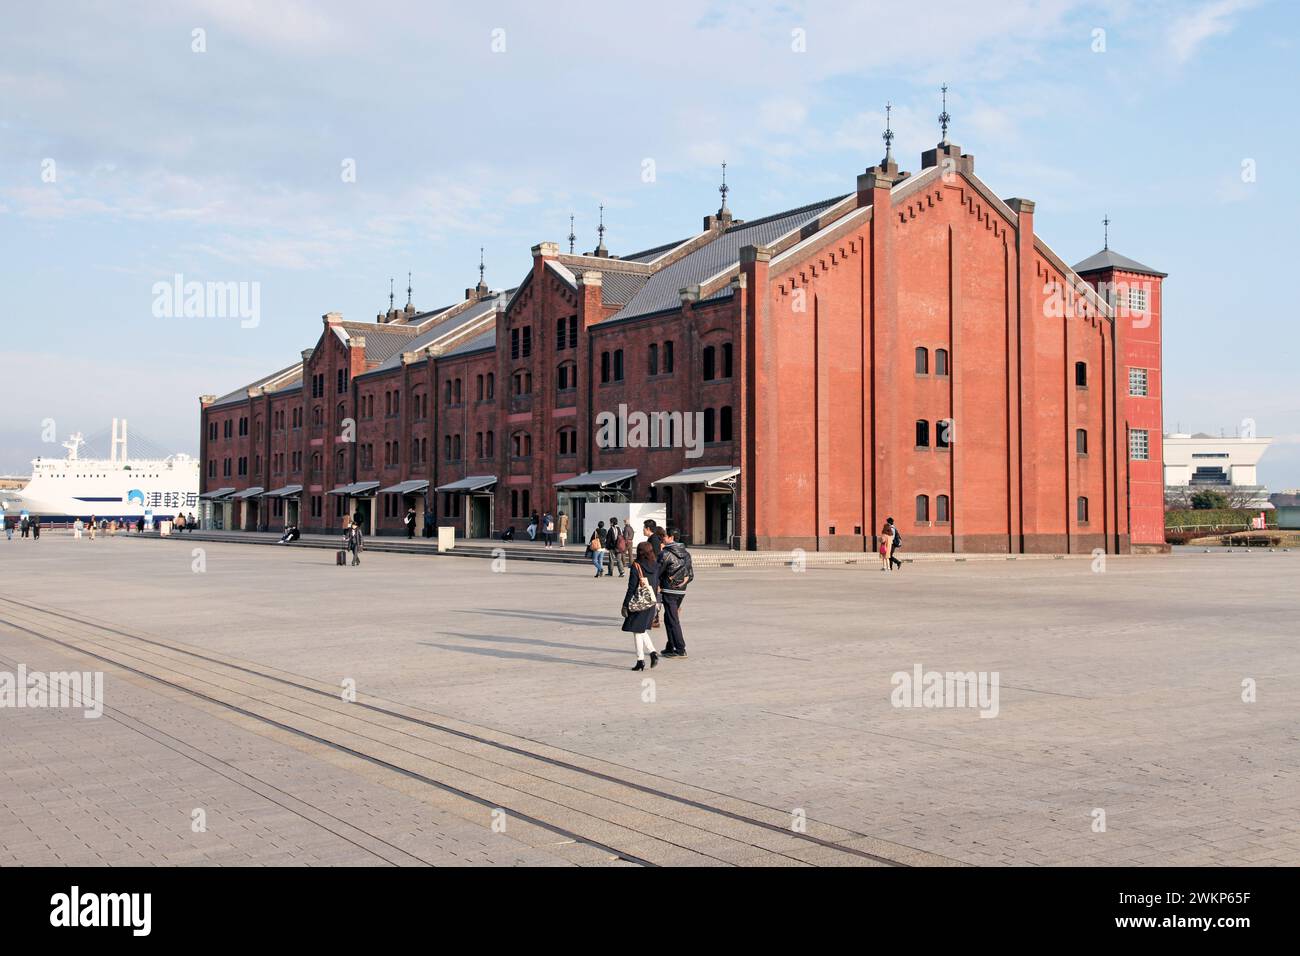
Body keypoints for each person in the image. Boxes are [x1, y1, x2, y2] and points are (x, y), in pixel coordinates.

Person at [621, 541, 661, 671]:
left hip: (639, 602)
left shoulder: (636, 565)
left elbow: (631, 587)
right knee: (640, 629)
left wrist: (625, 604)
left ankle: (641, 660)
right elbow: (656, 584)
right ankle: (653, 653)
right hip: (650, 601)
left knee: (637, 631)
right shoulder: (655, 565)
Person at [657, 528, 693, 659]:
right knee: (669, 618)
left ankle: (680, 648)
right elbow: (691, 575)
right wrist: (682, 583)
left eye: (664, 536)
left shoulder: (665, 554)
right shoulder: (686, 554)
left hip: (668, 590)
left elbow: (657, 572)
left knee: (673, 619)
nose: (662, 538)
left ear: (671, 537)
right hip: (681, 591)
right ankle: (670, 646)